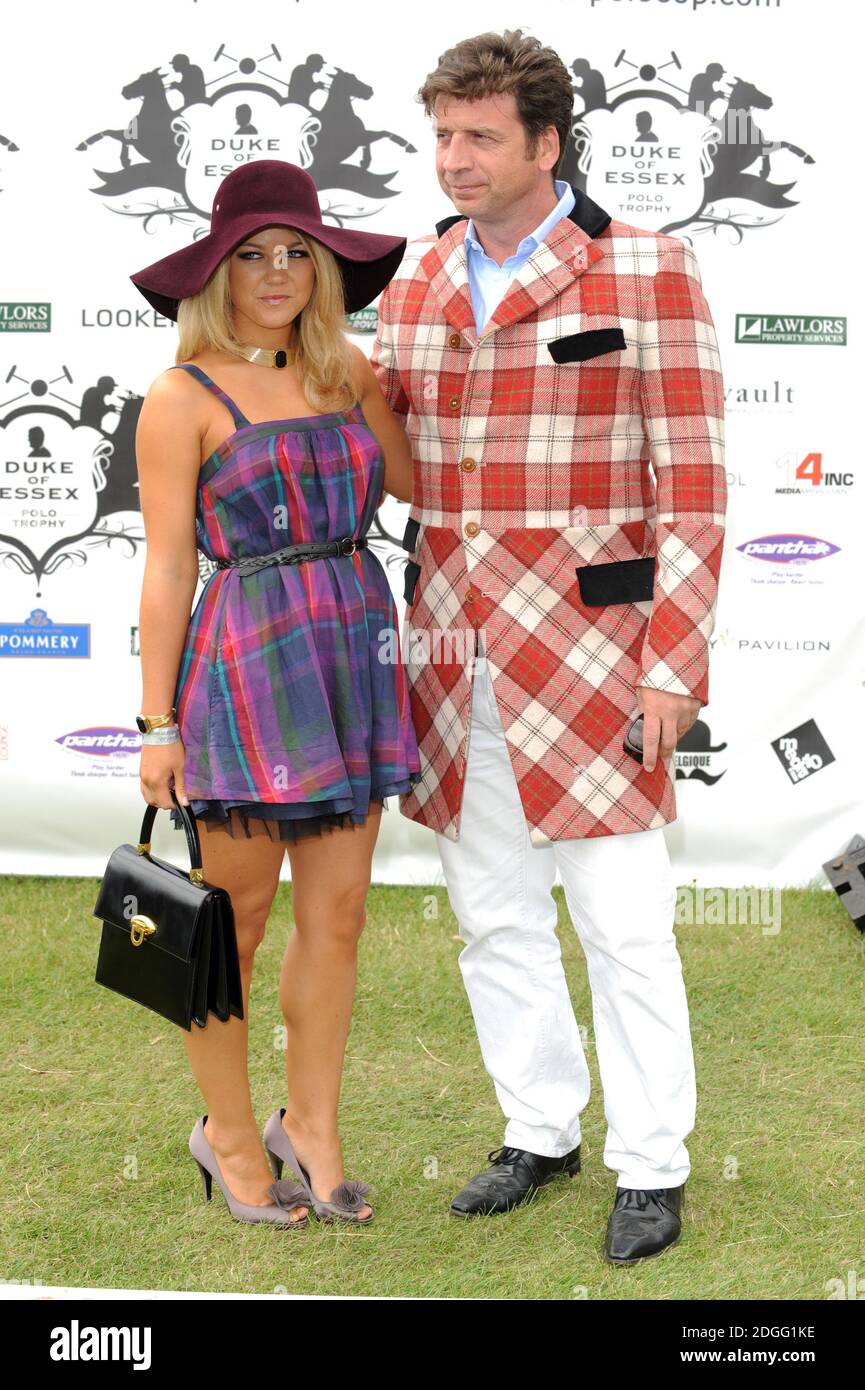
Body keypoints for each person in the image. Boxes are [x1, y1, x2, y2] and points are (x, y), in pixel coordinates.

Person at [370, 30, 727, 1263]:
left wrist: (675, 660)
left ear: (545, 145)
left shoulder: (646, 270)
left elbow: (693, 485)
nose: (452, 159)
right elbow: (392, 448)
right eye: (442, 136)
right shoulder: (418, 279)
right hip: (451, 649)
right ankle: (539, 1127)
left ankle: (650, 1160)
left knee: (625, 923)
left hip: (596, 653)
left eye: (477, 137)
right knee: (494, 917)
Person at [129, 158, 422, 1228]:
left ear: (324, 266)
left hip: (350, 651)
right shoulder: (181, 395)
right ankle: (231, 1137)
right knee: (233, 923)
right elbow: (166, 569)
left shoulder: (347, 370)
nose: (276, 271)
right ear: (215, 270)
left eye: (296, 251)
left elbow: (418, 483)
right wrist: (156, 722)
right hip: (247, 666)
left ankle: (316, 1126)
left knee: (337, 914)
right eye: (251, 254)